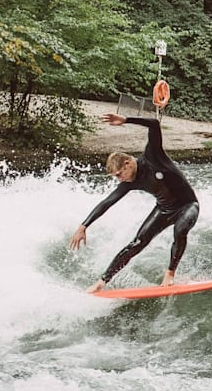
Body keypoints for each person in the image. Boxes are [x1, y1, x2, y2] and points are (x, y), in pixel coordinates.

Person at [69, 113, 201, 293]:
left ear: (128, 163)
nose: (119, 179)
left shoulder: (152, 156)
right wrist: (84, 225)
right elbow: (108, 202)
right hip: (164, 209)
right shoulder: (129, 182)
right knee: (137, 243)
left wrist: (126, 120)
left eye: (118, 174)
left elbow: (154, 124)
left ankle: (170, 273)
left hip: (188, 205)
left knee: (180, 229)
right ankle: (101, 282)